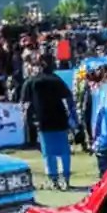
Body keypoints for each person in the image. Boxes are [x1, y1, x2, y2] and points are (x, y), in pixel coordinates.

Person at [22, 54, 78, 190]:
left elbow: (25, 104)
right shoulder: (57, 80)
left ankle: (53, 180)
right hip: (60, 119)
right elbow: (69, 99)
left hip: (43, 121)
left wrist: (28, 123)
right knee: (64, 151)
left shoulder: (31, 81)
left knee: (48, 153)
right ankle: (65, 178)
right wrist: (74, 119)